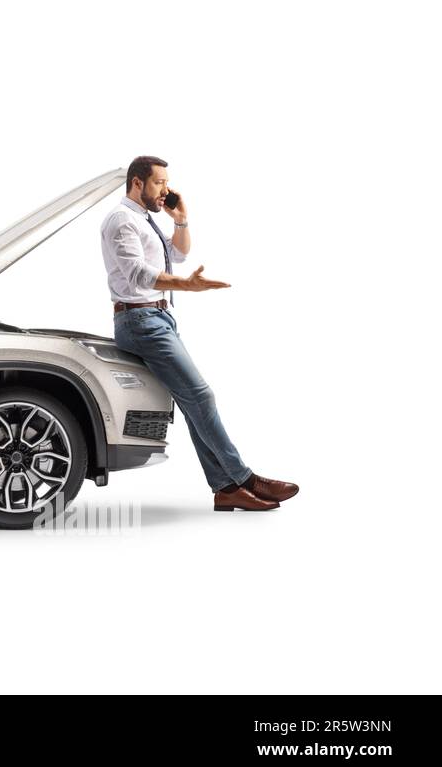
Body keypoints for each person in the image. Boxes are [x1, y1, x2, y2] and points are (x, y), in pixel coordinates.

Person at [99, 156, 298, 511]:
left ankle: (225, 488)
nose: (166, 190)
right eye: (159, 183)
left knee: (194, 405)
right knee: (202, 397)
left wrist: (181, 219)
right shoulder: (121, 220)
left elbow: (178, 253)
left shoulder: (145, 220)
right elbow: (138, 275)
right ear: (137, 183)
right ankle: (244, 478)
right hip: (140, 321)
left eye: (166, 183)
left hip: (157, 320)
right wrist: (189, 287)